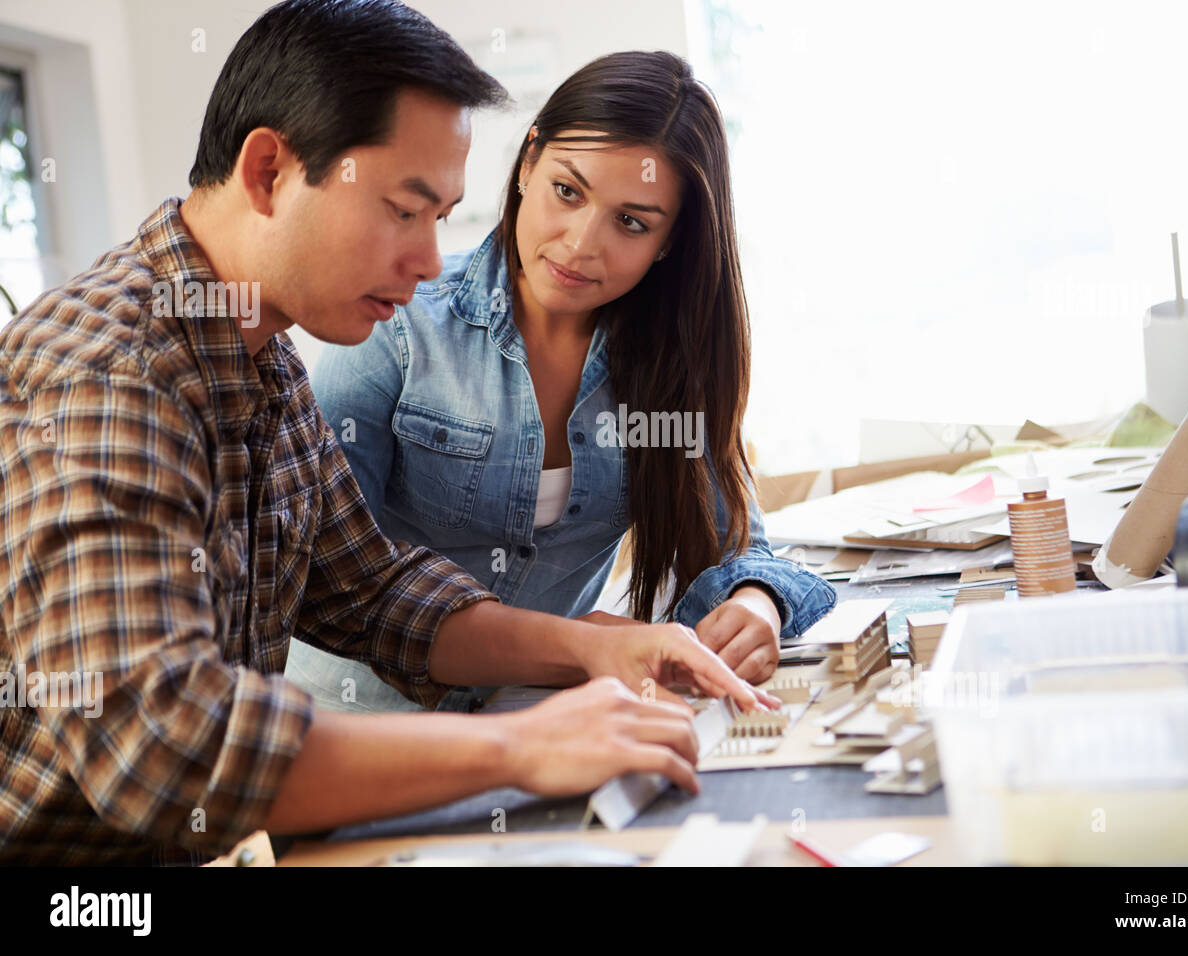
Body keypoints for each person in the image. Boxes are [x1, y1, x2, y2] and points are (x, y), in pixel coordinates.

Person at [0, 0, 774, 866]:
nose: (431, 261)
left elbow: (376, 594)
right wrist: (525, 746)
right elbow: (156, 741)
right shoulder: (113, 372)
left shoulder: (261, 360)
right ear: (268, 172)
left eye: (440, 218)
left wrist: (596, 646)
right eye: (405, 211)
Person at [285, 50, 836, 715]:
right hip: (366, 740)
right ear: (528, 163)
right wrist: (581, 643)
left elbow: (743, 550)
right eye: (567, 192)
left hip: (549, 732)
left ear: (668, 243)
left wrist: (758, 604)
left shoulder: (665, 367)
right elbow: (326, 578)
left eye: (632, 222)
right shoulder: (398, 324)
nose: (580, 244)